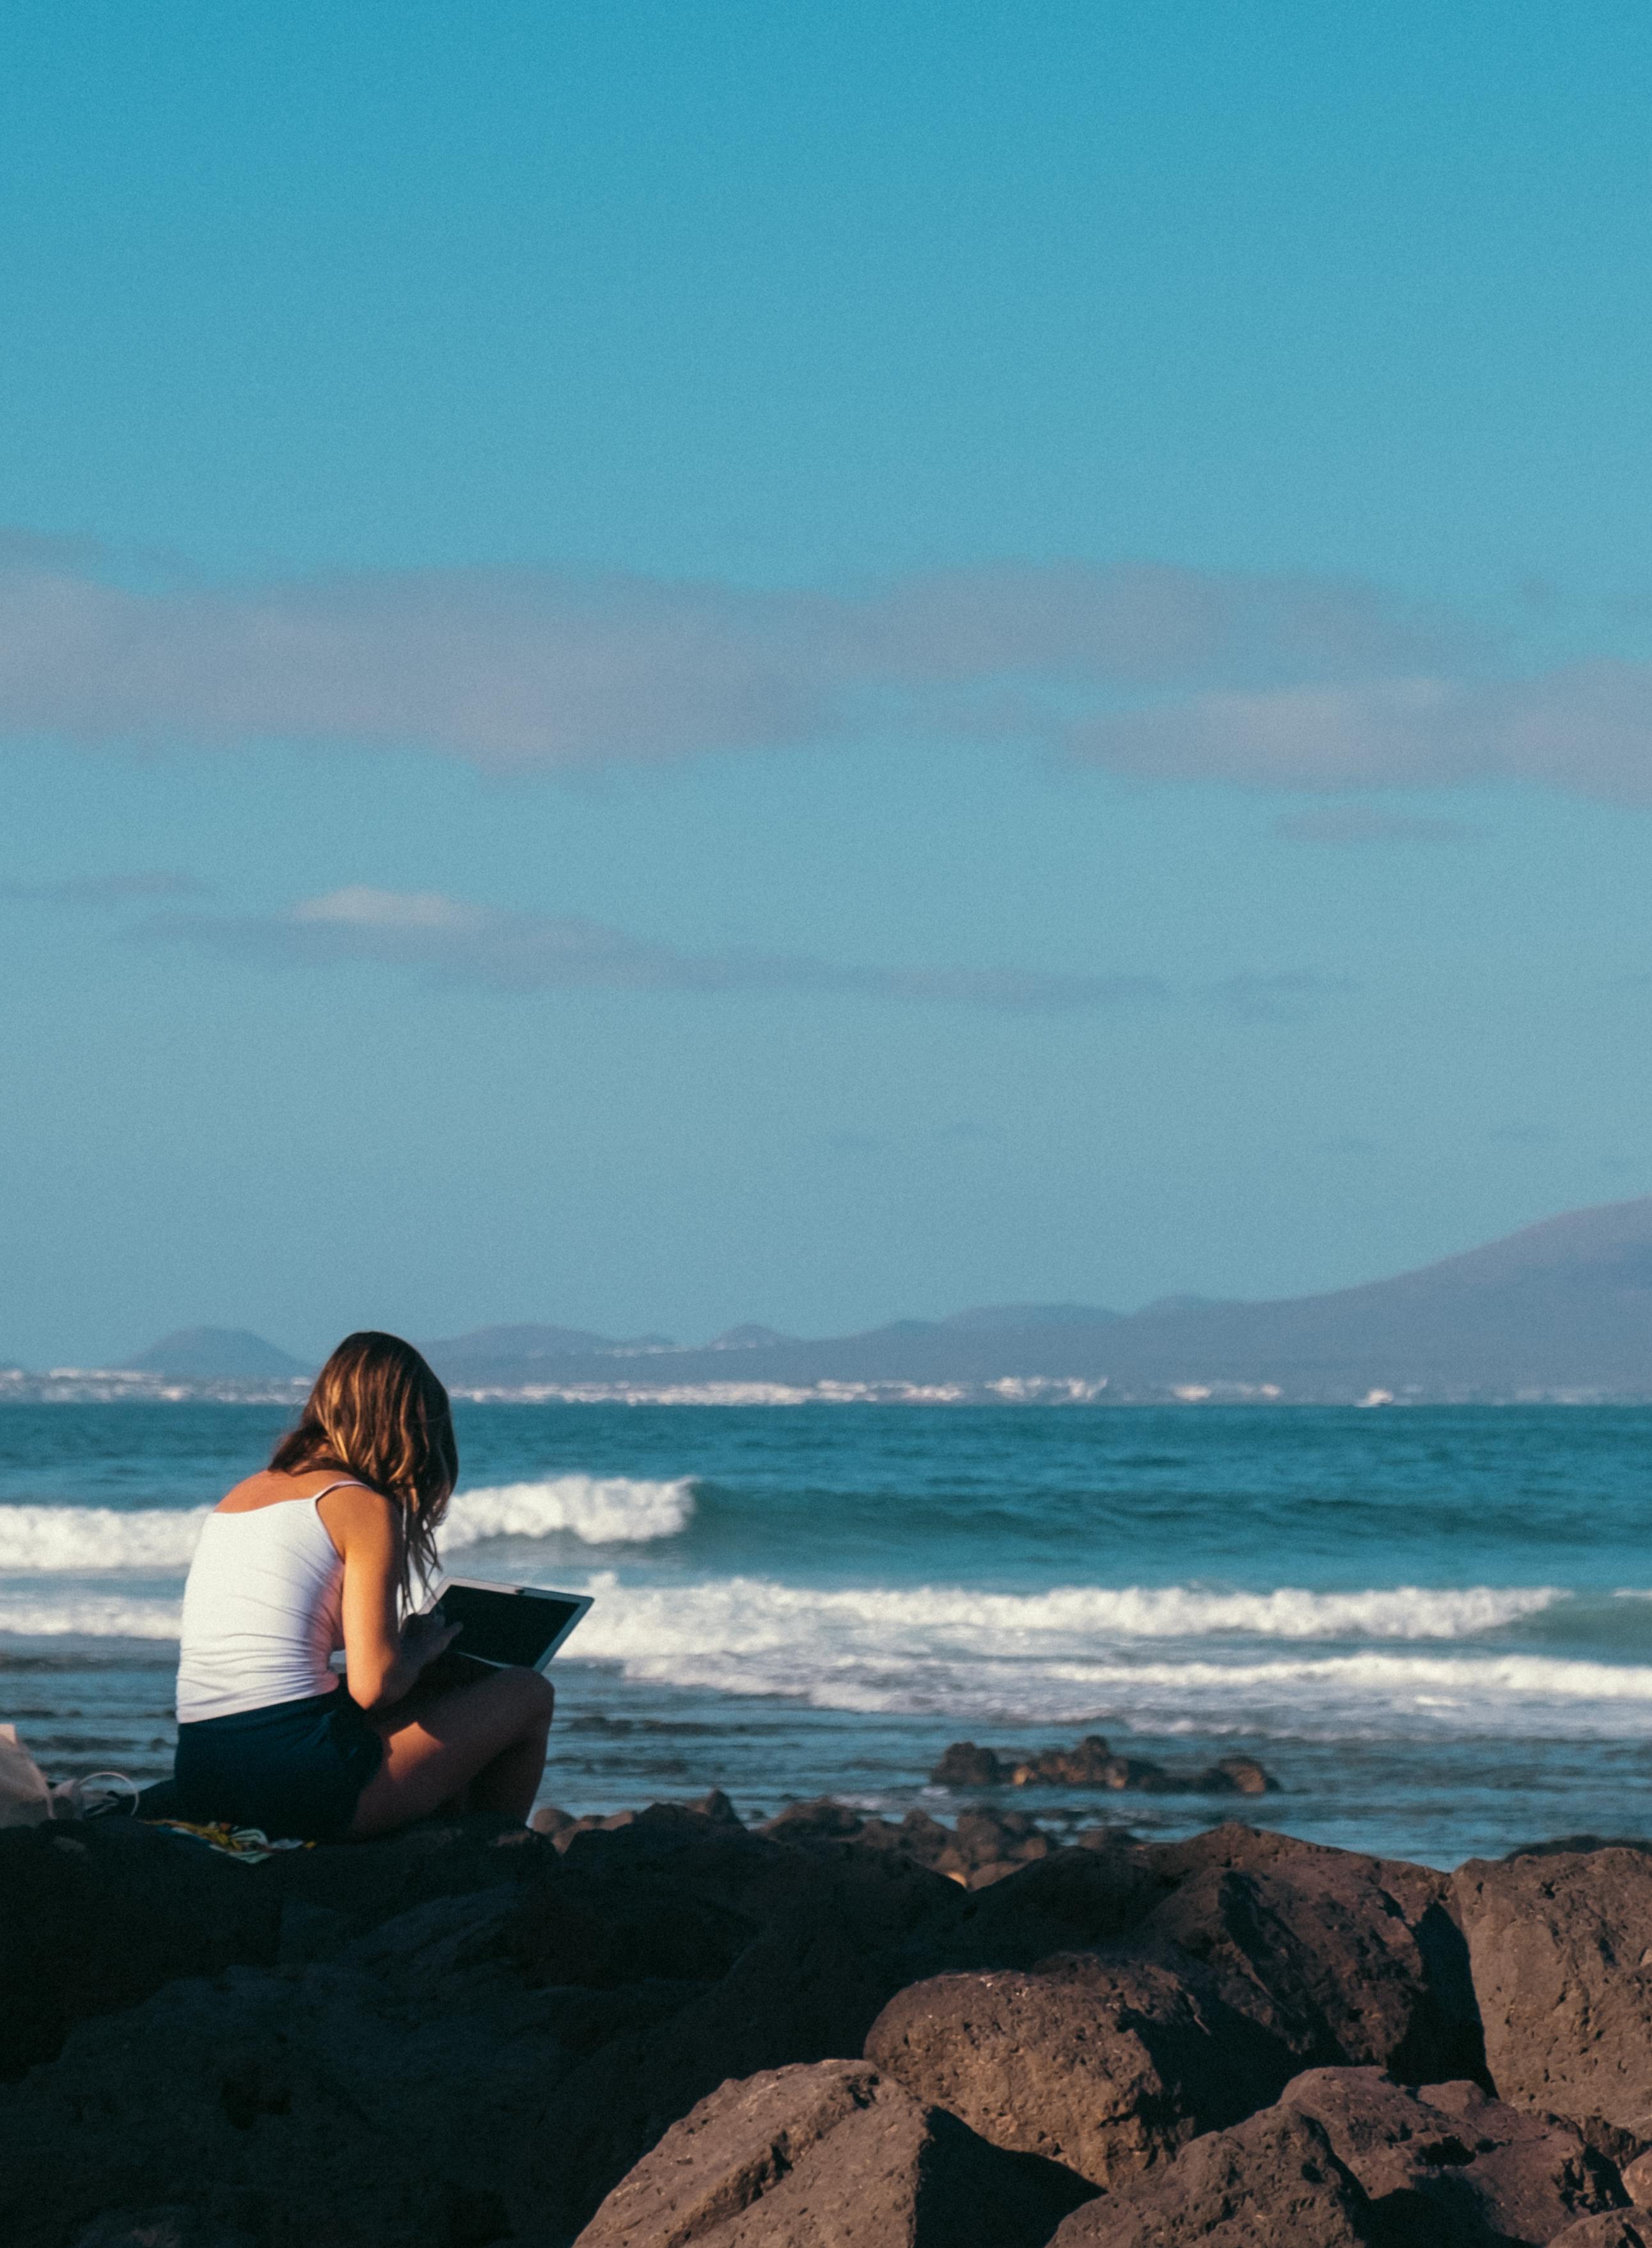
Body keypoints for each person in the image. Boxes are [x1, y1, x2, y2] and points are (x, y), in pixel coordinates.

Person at [171, 1330, 556, 1841]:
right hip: (291, 1783)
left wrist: (411, 1660)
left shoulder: (242, 1495)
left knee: (437, 1694)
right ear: (406, 1427)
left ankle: (453, 1844)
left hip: (202, 1773)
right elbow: (374, 1688)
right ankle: (493, 1859)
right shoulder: (361, 1505)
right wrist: (412, 1655)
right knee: (528, 1692)